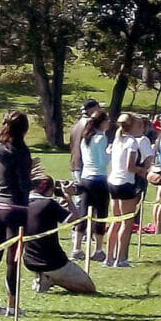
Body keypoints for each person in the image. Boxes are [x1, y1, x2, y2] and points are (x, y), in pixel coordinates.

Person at [0, 110, 33, 315]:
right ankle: (12, 304)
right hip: (17, 208)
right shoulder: (21, 152)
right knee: (13, 259)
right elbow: (23, 184)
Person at [25, 167, 97, 293]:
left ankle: (43, 276)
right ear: (50, 189)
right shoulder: (49, 204)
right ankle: (51, 279)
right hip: (53, 262)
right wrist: (68, 197)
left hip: (29, 260)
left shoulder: (22, 203)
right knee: (89, 288)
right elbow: (75, 219)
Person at [105, 112, 146, 268]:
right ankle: (120, 258)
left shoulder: (117, 140)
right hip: (125, 183)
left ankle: (109, 257)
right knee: (126, 222)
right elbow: (130, 166)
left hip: (113, 182)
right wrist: (143, 171)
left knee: (115, 220)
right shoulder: (132, 142)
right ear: (132, 126)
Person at [67, 99, 101, 259]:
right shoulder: (89, 124)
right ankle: (80, 233)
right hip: (85, 165)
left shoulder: (76, 124)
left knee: (81, 201)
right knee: (86, 202)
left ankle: (81, 232)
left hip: (75, 164)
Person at [79, 110, 111, 261]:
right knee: (101, 214)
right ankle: (98, 249)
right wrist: (110, 153)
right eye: (107, 120)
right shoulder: (101, 138)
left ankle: (77, 248)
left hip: (85, 178)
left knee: (84, 213)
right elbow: (102, 162)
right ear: (101, 122)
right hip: (98, 178)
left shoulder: (85, 138)